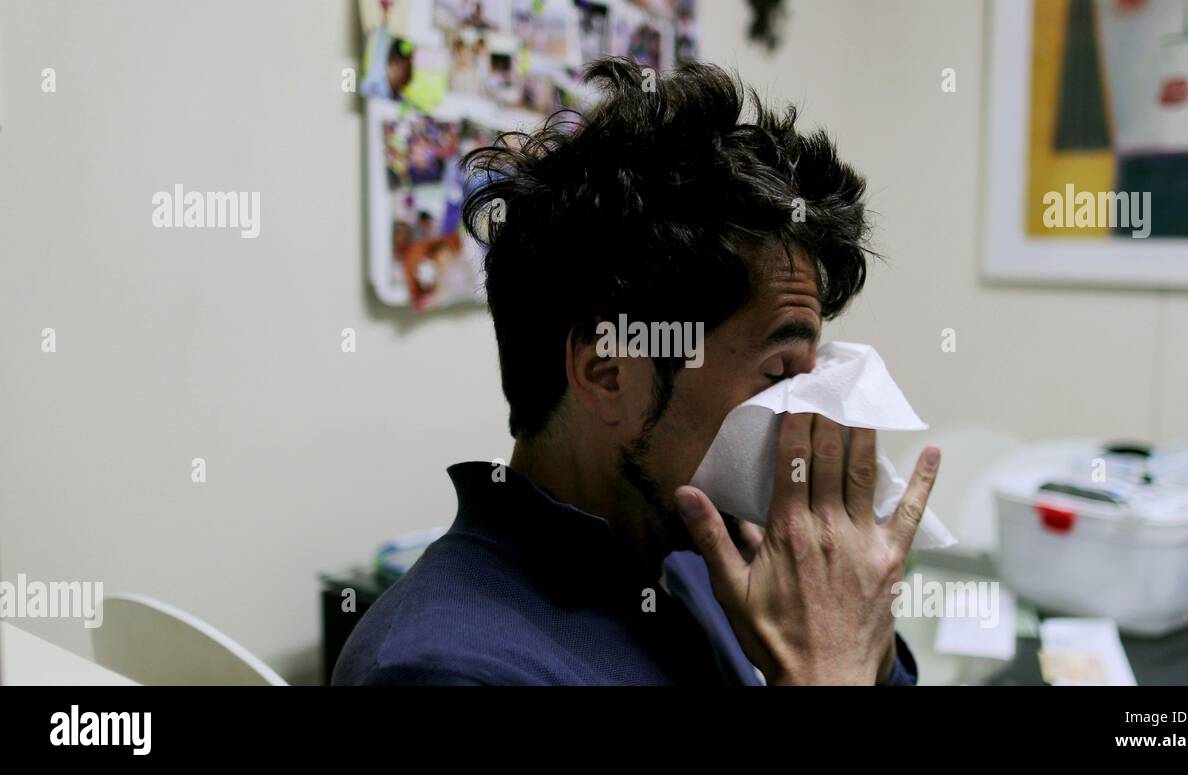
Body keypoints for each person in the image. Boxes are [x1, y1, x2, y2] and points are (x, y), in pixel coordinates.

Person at [333, 58, 941, 686]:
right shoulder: (444, 668)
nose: (812, 412)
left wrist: (848, 617)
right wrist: (829, 667)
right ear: (607, 371)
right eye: (779, 372)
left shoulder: (698, 553)